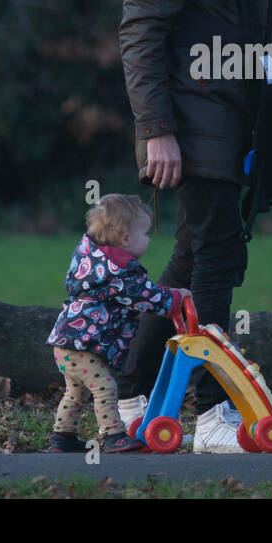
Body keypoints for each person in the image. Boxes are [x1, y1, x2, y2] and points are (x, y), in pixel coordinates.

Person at [116, 0, 272, 452]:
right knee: (217, 255)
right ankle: (214, 415)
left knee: (193, 257)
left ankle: (132, 390)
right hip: (190, 118)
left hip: (238, 111)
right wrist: (155, 128)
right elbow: (141, 29)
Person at [44, 193, 190, 453]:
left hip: (67, 343)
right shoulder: (118, 274)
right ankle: (113, 435)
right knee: (105, 386)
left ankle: (62, 437)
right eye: (145, 234)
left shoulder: (95, 263)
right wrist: (176, 298)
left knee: (76, 392)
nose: (148, 240)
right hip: (79, 346)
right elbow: (145, 296)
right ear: (125, 239)